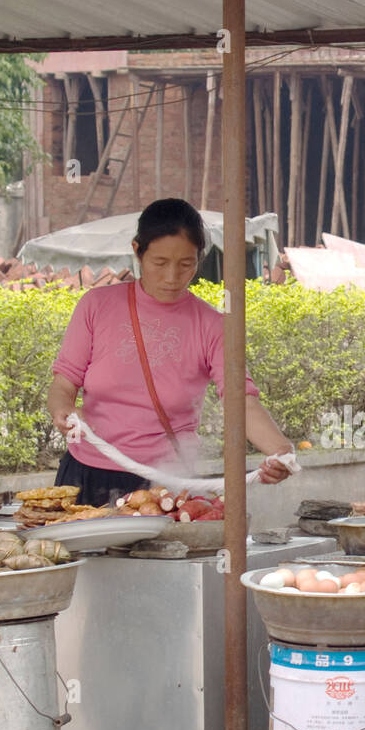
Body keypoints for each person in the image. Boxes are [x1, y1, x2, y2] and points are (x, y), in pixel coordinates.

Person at [47, 198, 294, 506]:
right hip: (86, 474)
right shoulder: (96, 306)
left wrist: (280, 451)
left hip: (165, 483)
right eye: (160, 263)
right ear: (138, 251)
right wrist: (63, 410)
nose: (172, 277)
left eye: (186, 264)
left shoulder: (212, 325)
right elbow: (63, 384)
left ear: (199, 258)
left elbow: (240, 400)